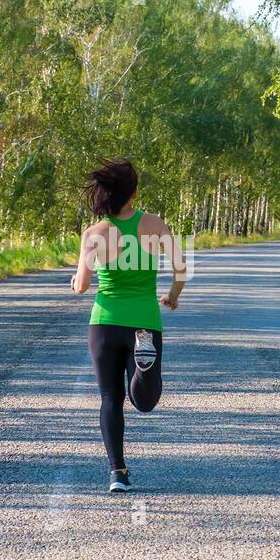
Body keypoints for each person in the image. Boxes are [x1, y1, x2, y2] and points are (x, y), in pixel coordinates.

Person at [70, 158, 186, 492]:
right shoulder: (153, 224)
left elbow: (81, 287)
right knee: (145, 402)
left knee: (110, 397)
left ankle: (117, 474)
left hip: (104, 322)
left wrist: (74, 280)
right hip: (144, 320)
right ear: (133, 193)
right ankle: (143, 367)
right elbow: (181, 269)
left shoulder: (94, 233)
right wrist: (172, 297)